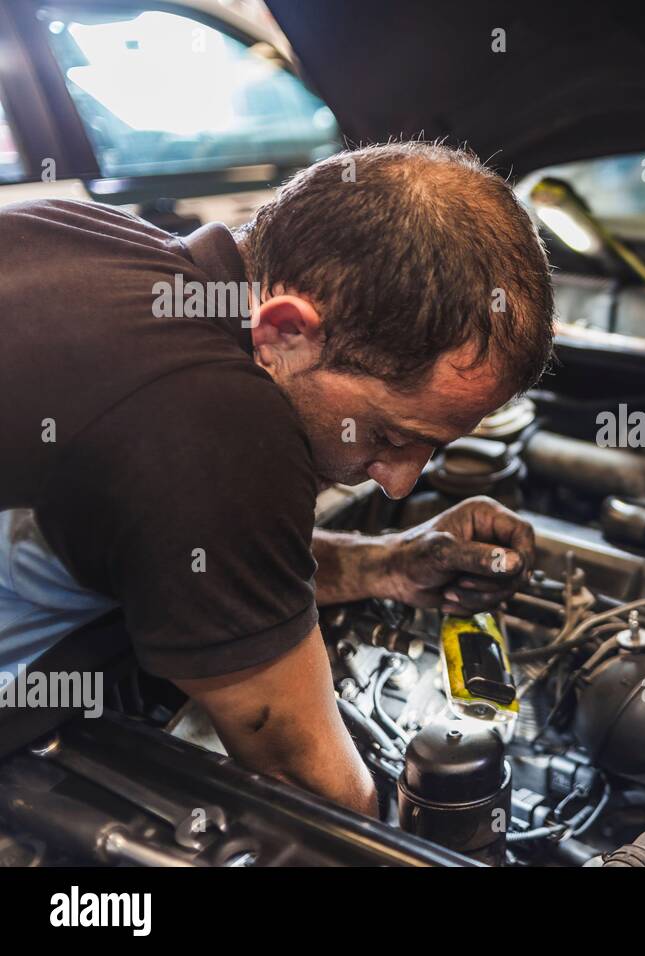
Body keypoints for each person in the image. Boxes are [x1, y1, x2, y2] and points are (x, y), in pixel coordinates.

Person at [0, 141, 554, 816]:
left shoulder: (90, 240)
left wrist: (386, 566)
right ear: (288, 330)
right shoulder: (218, 425)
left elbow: (191, 552)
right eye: (390, 436)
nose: (399, 483)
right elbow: (302, 770)